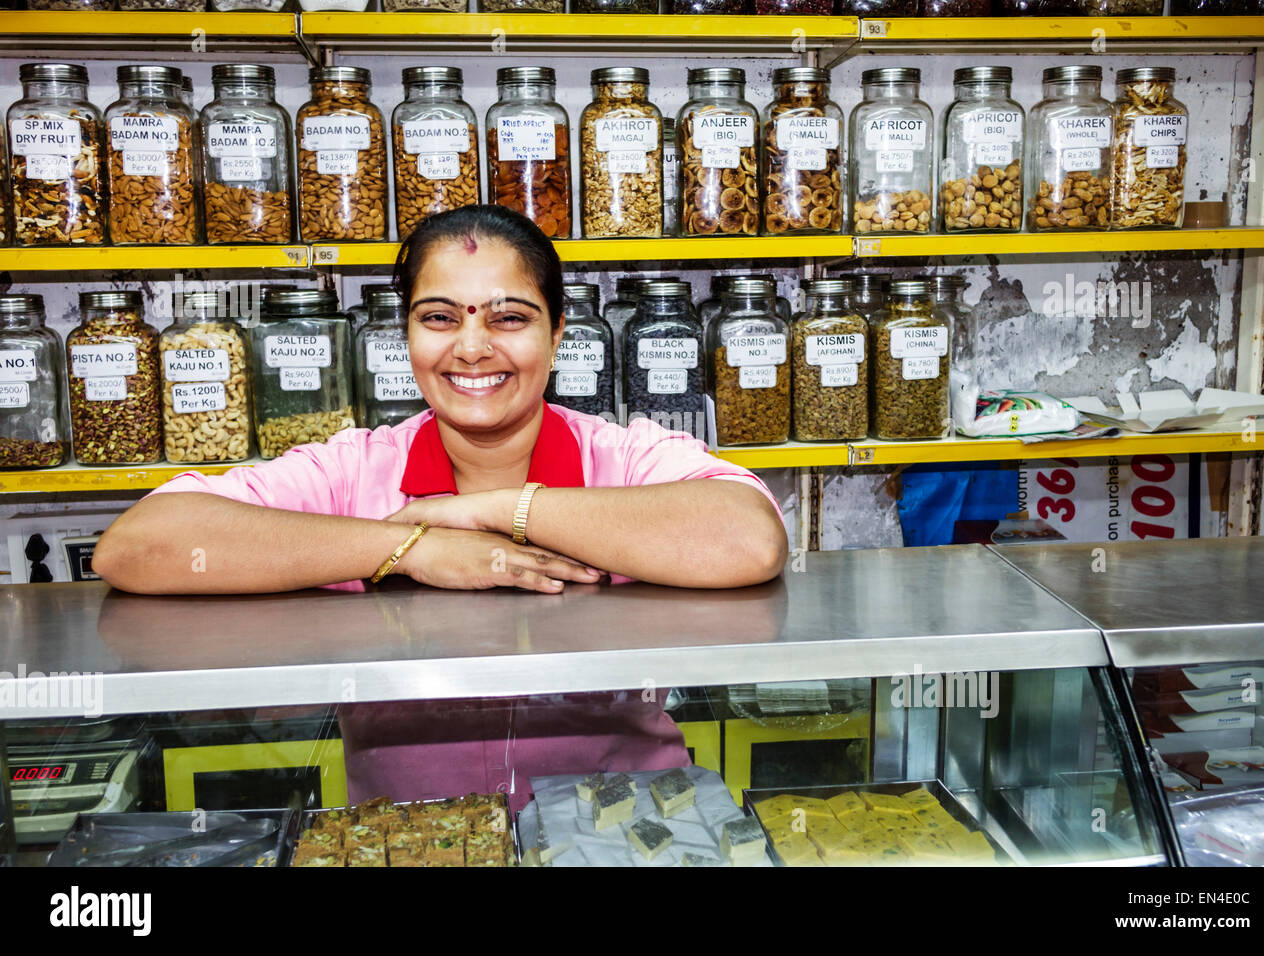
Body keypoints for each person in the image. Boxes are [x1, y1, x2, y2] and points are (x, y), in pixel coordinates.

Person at [92, 204, 788, 808]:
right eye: (439, 317)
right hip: (421, 832)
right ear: (407, 334)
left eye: (511, 317)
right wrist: (411, 549)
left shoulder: (624, 457)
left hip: (623, 830)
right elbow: (138, 546)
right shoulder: (356, 468)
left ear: (558, 334)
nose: (473, 347)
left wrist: (497, 509)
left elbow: (747, 543)